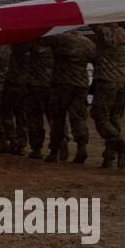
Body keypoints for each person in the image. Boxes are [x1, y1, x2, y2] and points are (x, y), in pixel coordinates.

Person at [37, 30, 94, 164]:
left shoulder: (60, 39)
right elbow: (95, 59)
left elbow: (40, 40)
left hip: (62, 84)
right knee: (78, 117)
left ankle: (55, 150)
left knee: (57, 118)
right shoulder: (88, 43)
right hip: (81, 84)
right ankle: (81, 146)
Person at [90, 23, 125, 169]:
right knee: (114, 119)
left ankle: (120, 145)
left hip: (107, 81)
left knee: (100, 116)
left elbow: (90, 20)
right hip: (123, 81)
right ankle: (109, 157)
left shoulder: (104, 32)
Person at [22, 42, 52, 160]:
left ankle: (37, 149)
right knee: (55, 118)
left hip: (35, 86)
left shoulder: (33, 46)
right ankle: (58, 144)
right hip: (52, 85)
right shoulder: (57, 46)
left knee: (34, 118)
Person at [1, 42, 31, 155]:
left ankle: (13, 140)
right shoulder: (33, 50)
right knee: (22, 115)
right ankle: (22, 143)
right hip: (26, 84)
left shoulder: (16, 49)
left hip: (14, 83)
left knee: (6, 113)